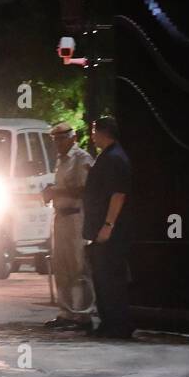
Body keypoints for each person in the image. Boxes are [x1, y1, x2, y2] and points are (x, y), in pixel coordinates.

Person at [81, 115, 132, 338]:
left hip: (111, 231)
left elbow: (118, 194)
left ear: (103, 132)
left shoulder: (114, 158)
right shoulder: (108, 156)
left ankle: (117, 324)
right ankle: (109, 322)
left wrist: (108, 225)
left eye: (94, 132)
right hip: (102, 228)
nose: (92, 136)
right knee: (102, 277)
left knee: (110, 277)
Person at [41, 122, 94, 330]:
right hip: (60, 217)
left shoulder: (81, 158)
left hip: (75, 217)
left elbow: (84, 189)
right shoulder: (61, 160)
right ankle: (66, 312)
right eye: (55, 139)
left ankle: (82, 315)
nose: (58, 143)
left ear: (72, 138)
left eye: (61, 139)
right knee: (61, 266)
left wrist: (56, 192)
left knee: (78, 267)